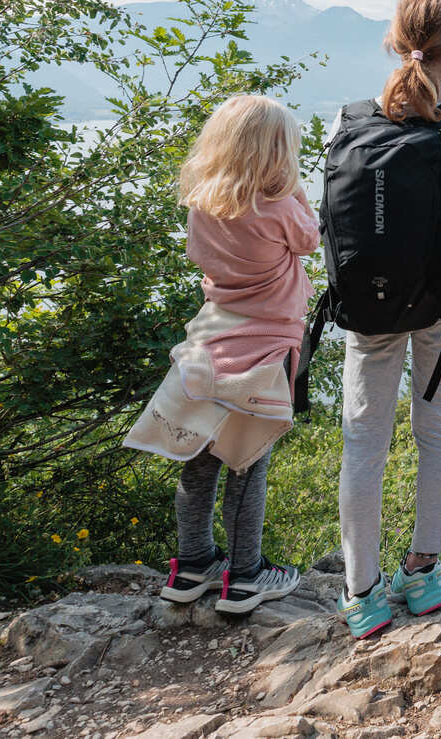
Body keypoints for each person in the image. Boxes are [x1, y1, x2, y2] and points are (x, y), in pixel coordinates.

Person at [332, 0, 441, 639]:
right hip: (440, 295)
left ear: (394, 44)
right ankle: (423, 572)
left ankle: (360, 590)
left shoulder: (343, 121)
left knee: (362, 438)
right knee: (435, 423)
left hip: (365, 301)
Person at [124, 94, 316, 613]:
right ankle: (247, 574)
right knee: (248, 463)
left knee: (199, 459)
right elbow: (312, 236)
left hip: (208, 344)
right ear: (278, 153)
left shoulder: (204, 206)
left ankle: (191, 567)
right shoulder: (279, 209)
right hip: (262, 350)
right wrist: (294, 187)